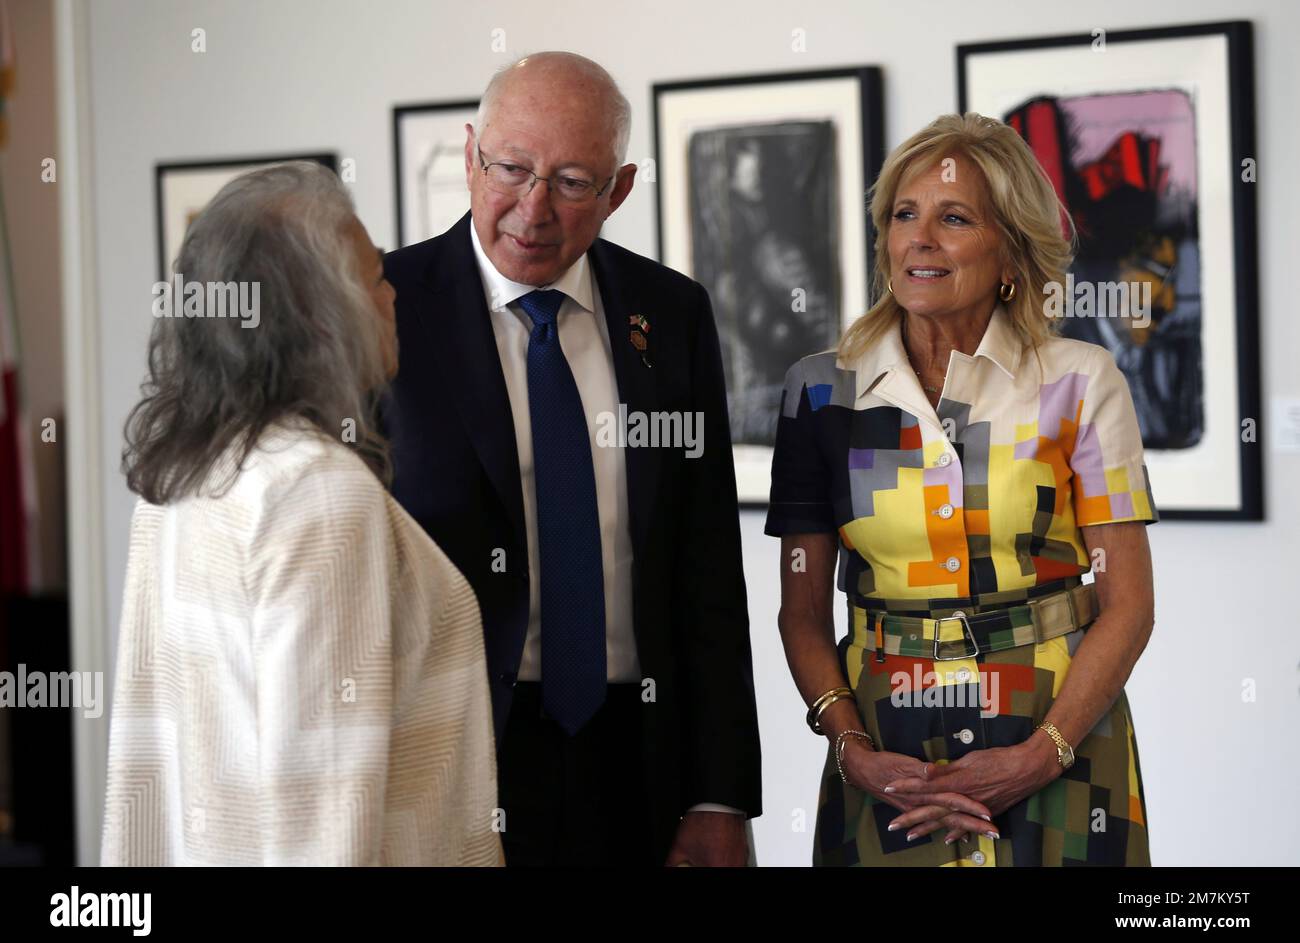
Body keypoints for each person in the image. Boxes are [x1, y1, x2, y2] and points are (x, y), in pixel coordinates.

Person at [382, 51, 762, 866]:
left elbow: (707, 567)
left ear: (618, 190)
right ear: (470, 154)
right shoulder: (382, 307)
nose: (533, 208)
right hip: (449, 757)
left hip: (638, 758)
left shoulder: (671, 314)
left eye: (572, 182)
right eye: (512, 169)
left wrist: (720, 794)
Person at [767, 113, 1158, 866]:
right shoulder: (819, 392)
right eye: (903, 216)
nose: (919, 239)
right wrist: (850, 747)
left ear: (1010, 247)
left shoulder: (1080, 381)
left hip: (1059, 731)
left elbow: (1129, 605)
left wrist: (1042, 754)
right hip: (887, 748)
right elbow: (802, 613)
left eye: (953, 218)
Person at [102, 161, 500, 866]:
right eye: (374, 278)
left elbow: (144, 780)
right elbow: (324, 815)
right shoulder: (318, 491)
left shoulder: (182, 477)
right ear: (320, 316)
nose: (392, 295)